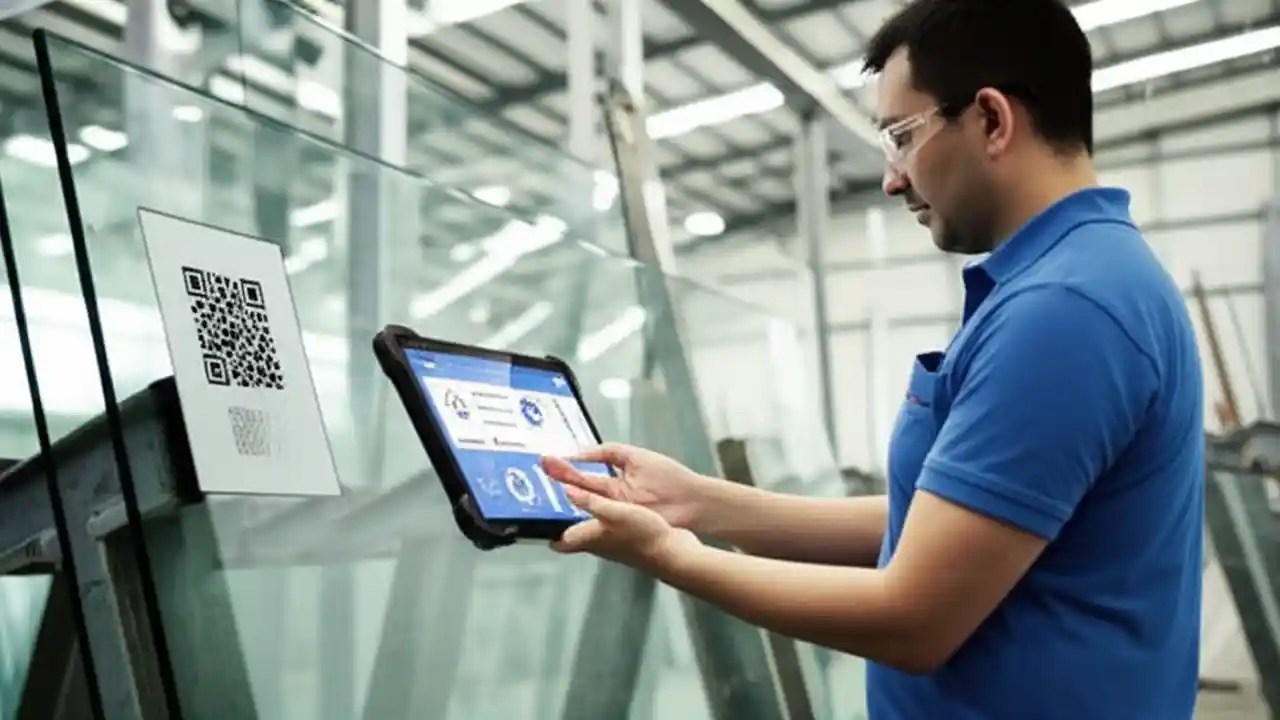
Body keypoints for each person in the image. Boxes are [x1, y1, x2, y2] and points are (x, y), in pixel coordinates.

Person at [540, 0, 1205, 717]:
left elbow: (913, 618)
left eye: (902, 136)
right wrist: (699, 503)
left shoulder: (1068, 311)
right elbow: (937, 526)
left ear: (991, 119)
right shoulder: (1076, 280)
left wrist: (674, 555)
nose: (892, 178)